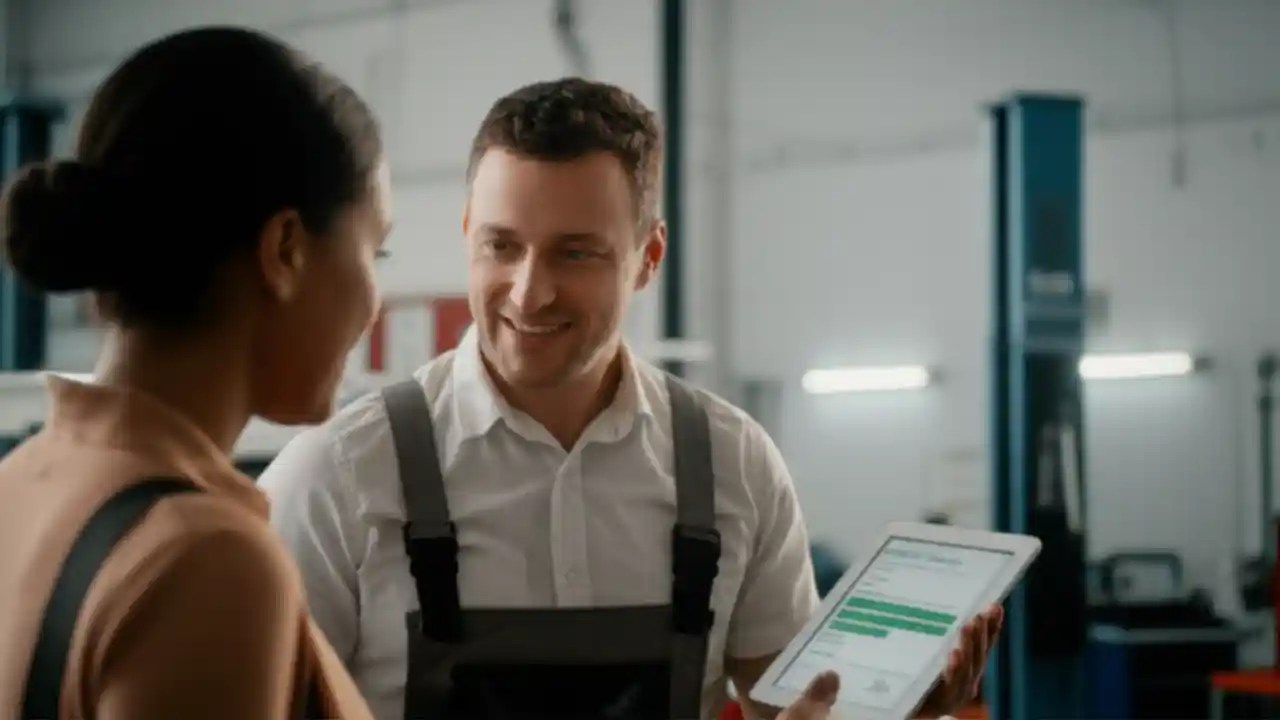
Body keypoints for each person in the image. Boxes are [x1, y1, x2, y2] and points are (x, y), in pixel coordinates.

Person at [258, 77, 1001, 720]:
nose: (529, 292)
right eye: (501, 245)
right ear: (466, 234)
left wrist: (894, 708)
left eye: (575, 252)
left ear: (648, 257)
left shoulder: (734, 466)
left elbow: (800, 708)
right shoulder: (335, 479)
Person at [0, 26, 388, 720]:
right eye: (375, 252)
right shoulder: (208, 556)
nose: (372, 301)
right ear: (286, 251)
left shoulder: (22, 481)